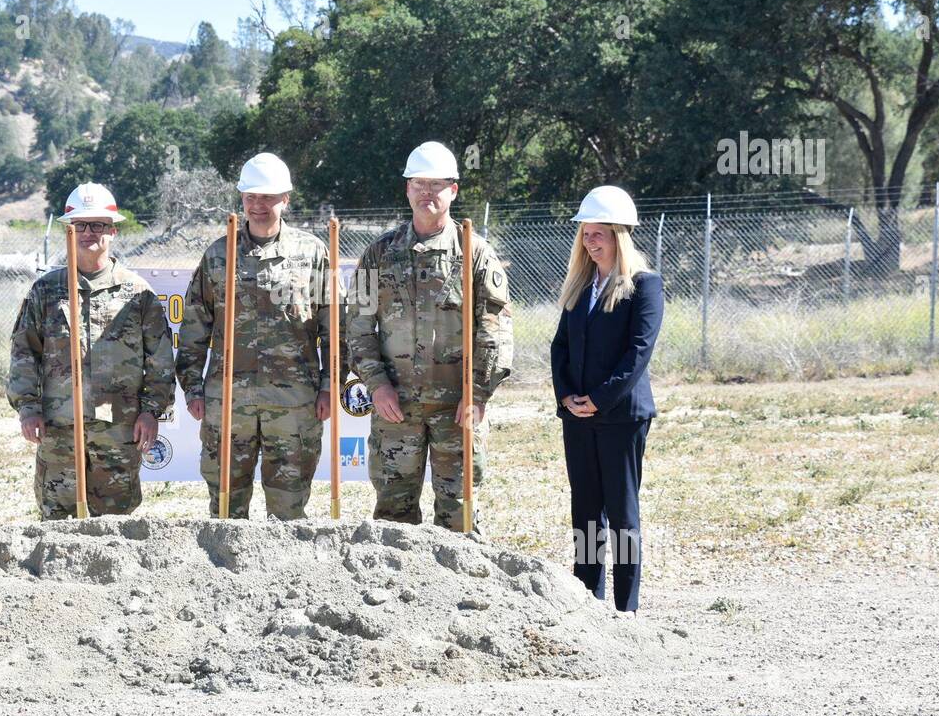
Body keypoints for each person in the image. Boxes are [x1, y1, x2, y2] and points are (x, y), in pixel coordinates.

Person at [345, 141, 513, 531]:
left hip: (456, 409)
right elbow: (357, 327)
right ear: (407, 189)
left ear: (453, 190)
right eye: (418, 184)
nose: (426, 193)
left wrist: (477, 394)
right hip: (395, 408)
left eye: (435, 185)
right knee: (393, 515)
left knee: (460, 514)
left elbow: (495, 332)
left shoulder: (474, 254)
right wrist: (377, 385)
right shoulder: (378, 255)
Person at [176, 153, 332, 519]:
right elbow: (195, 326)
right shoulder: (219, 255)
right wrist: (193, 388)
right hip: (229, 404)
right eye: (251, 197)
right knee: (227, 508)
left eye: (268, 197)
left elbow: (333, 327)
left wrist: (329, 386)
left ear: (286, 200)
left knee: (289, 509)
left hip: (293, 405)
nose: (258, 205)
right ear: (242, 199)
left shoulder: (311, 253)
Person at [8, 183, 175, 518]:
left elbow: (159, 362)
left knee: (115, 531)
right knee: (56, 527)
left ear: (112, 230)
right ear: (69, 231)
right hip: (59, 431)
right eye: (80, 225)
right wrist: (28, 409)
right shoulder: (46, 290)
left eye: (98, 224)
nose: (88, 233)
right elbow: (24, 354)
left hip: (117, 432)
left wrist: (150, 411)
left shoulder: (137, 293)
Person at [550, 185, 664, 616]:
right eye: (586, 232)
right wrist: (567, 398)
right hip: (577, 417)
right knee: (585, 511)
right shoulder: (580, 285)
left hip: (620, 417)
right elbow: (559, 347)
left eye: (599, 233)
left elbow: (638, 352)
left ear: (620, 235)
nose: (590, 240)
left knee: (622, 512)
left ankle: (626, 609)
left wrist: (598, 400)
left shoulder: (644, 285)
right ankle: (587, 601)